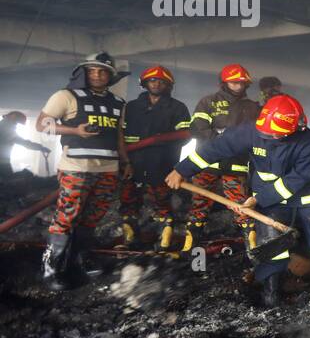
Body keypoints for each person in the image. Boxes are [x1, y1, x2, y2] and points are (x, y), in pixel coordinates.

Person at [167, 94, 310, 307]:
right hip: (268, 200)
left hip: (308, 199)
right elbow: (215, 149)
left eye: (276, 134)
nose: (270, 136)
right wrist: (181, 169)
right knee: (271, 247)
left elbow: (294, 182)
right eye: (267, 132)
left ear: (296, 128)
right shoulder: (250, 131)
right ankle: (271, 296)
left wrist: (258, 199)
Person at [34, 53, 131, 289]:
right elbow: (41, 124)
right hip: (76, 167)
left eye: (103, 71)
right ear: (84, 73)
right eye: (92, 70)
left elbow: (118, 136)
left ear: (110, 75)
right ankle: (51, 269)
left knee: (93, 217)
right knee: (67, 215)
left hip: (108, 168)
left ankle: (81, 259)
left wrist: (125, 161)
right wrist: (75, 131)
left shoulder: (118, 103)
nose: (97, 75)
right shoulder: (66, 96)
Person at [186, 64, 260, 251]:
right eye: (234, 82)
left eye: (241, 83)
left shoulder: (252, 107)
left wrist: (235, 143)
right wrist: (224, 141)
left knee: (240, 204)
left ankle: (251, 243)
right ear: (224, 83)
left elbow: (257, 135)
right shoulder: (208, 102)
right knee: (199, 201)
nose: (238, 86)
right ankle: (191, 240)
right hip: (207, 161)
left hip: (236, 164)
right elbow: (198, 128)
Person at [120, 66, 190, 249]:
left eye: (161, 81)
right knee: (128, 201)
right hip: (132, 164)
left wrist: (159, 145)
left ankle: (164, 241)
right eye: (152, 80)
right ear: (145, 83)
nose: (157, 83)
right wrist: (126, 160)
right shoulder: (131, 107)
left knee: (161, 201)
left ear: (168, 85)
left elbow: (185, 135)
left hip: (161, 164)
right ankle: (129, 239)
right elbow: (121, 134)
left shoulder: (177, 108)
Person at [0, 111, 49, 178]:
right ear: (13, 117)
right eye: (16, 123)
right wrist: (40, 147)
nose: (15, 125)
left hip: (3, 162)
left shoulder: (4, 126)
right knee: (9, 183)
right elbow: (24, 142)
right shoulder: (5, 128)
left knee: (8, 182)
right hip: (2, 163)